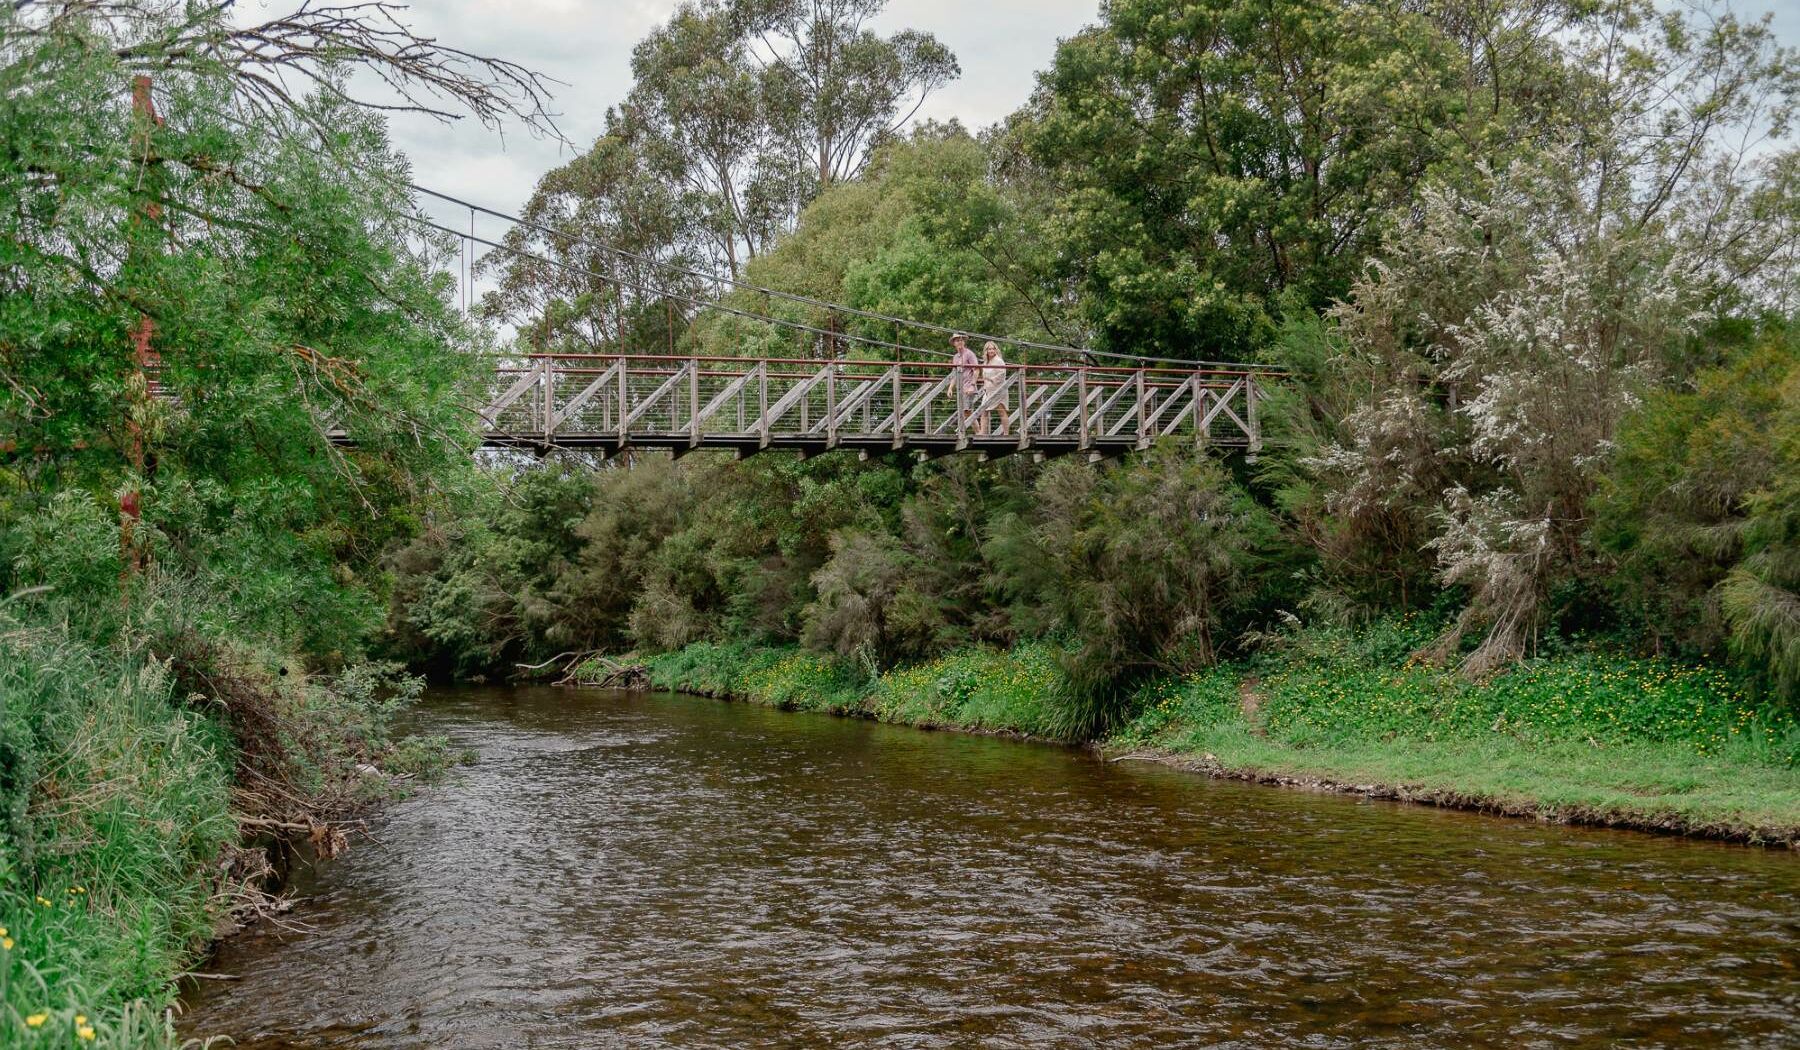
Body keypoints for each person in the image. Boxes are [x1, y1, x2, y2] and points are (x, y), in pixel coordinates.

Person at [979, 341, 1010, 436]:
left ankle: (1006, 434)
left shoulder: (999, 361)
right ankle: (982, 433)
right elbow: (984, 375)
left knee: (1001, 411)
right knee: (983, 411)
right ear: (986, 351)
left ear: (996, 350)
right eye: (989, 349)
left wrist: (991, 379)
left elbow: (1002, 374)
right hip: (988, 391)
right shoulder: (986, 362)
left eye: (993, 349)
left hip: (998, 390)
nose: (991, 350)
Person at [950, 333, 980, 429]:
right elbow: (954, 374)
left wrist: (972, 385)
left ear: (964, 342)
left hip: (969, 387)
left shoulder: (969, 354)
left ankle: (977, 433)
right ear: (954, 343)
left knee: (967, 411)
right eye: (957, 340)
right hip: (961, 389)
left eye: (961, 340)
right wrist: (950, 388)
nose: (960, 342)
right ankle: (975, 432)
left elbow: (976, 369)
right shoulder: (955, 357)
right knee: (965, 411)